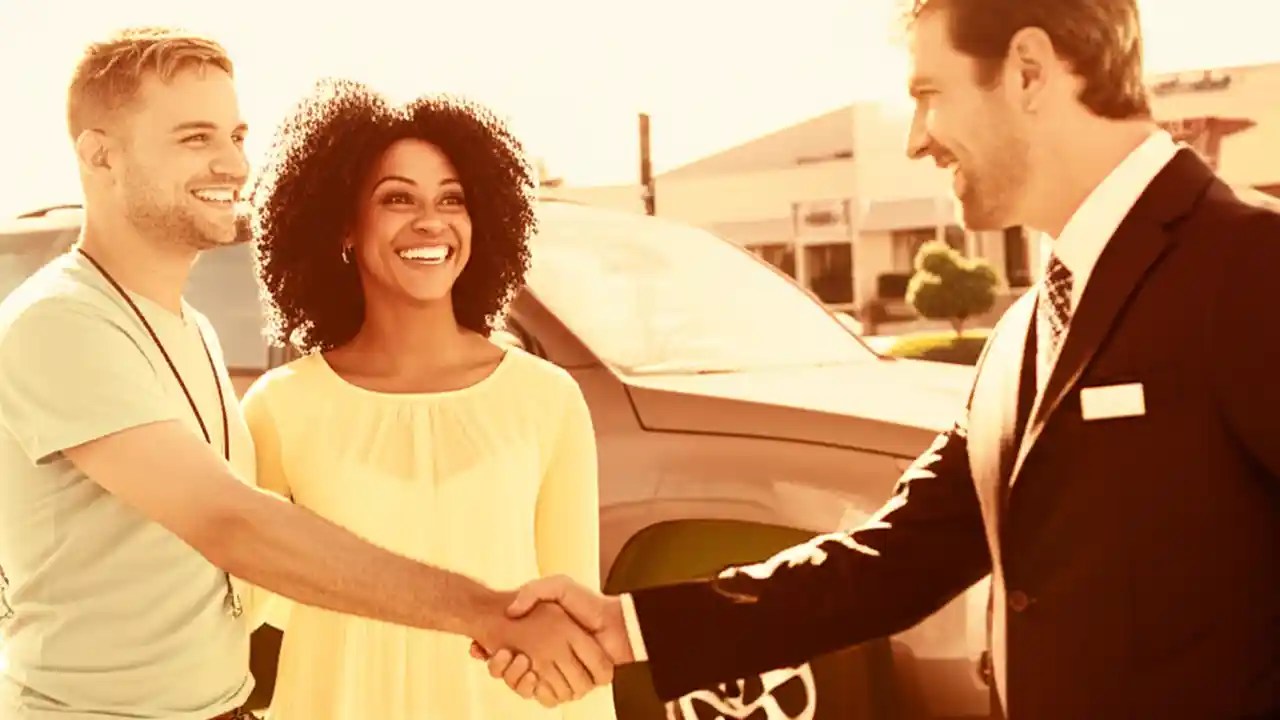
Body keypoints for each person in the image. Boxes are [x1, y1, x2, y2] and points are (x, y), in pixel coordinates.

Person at [478, 1, 1280, 718]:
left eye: (930, 94)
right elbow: (893, 560)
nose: (916, 138)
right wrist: (625, 626)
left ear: (1029, 71)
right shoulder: (1024, 331)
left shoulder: (1254, 266)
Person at [0, 27, 609, 720]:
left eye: (236, 135)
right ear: (100, 155)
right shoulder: (60, 324)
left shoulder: (187, 327)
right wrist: (491, 612)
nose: (233, 163)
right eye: (196, 138)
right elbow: (233, 525)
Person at [238, 78, 618, 720]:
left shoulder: (545, 400)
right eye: (396, 198)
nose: (431, 221)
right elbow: (242, 605)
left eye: (453, 199)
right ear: (344, 228)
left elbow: (571, 630)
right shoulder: (280, 408)